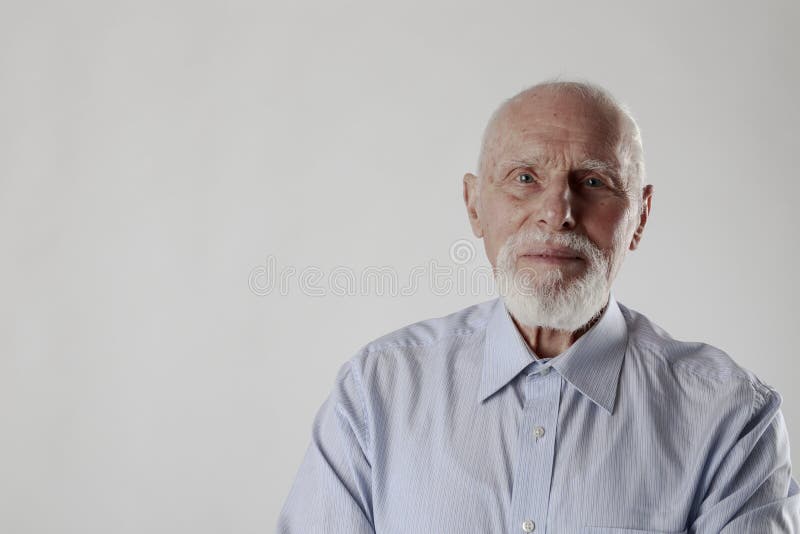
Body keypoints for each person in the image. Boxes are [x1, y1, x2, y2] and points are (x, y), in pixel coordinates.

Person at [277, 80, 799, 533]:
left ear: (640, 216)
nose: (556, 212)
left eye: (593, 182)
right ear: (474, 205)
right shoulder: (376, 392)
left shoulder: (729, 417)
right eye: (524, 178)